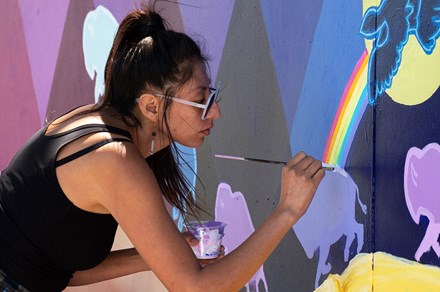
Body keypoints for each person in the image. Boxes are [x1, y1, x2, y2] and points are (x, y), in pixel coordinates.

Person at [0, 4, 325, 292]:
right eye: (201, 101)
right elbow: (195, 288)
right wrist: (288, 210)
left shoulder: (98, 127)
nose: (215, 112)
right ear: (152, 107)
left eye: (211, 97)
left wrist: (158, 252)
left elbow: (59, 269)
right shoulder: (115, 160)